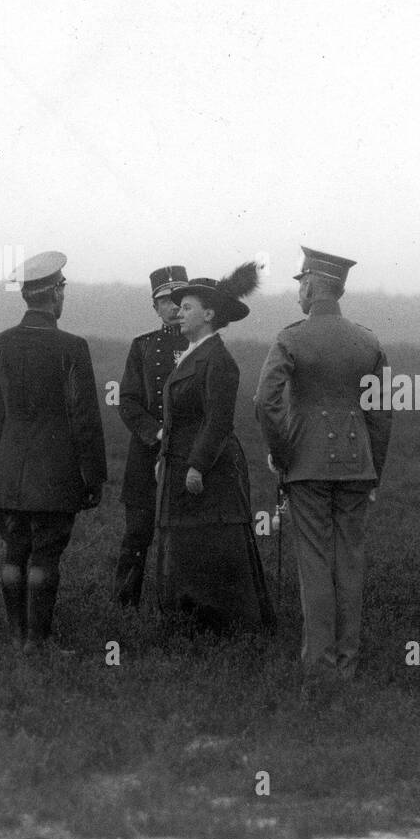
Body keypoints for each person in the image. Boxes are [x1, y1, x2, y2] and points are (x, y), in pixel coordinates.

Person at [255, 247, 392, 691]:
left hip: (306, 467)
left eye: (300, 283)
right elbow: (380, 413)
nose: (299, 290)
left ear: (312, 286)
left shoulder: (291, 339)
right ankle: (347, 665)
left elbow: (266, 402)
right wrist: (375, 470)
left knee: (315, 565)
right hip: (357, 469)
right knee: (349, 563)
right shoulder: (368, 342)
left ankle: (319, 668)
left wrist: (281, 451)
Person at [0, 251, 107, 654]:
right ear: (54, 295)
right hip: (55, 475)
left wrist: (0, 464)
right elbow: (83, 417)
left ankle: (17, 639)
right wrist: (93, 474)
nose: (64, 295)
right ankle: (39, 642)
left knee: (15, 550)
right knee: (46, 555)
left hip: (10, 473)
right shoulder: (72, 348)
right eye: (63, 288)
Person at [155, 262, 271, 631]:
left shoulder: (218, 359)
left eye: (186, 307)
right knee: (191, 547)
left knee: (213, 547)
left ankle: (227, 633)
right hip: (183, 465)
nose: (178, 312)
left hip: (209, 472)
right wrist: (163, 459)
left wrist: (197, 466)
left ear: (208, 315)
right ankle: (192, 627)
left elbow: (218, 421)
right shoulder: (193, 354)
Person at [113, 265, 190, 607]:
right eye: (165, 300)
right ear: (154, 306)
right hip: (146, 454)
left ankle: (183, 609)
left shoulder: (202, 345)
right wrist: (154, 432)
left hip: (189, 455)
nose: (174, 307)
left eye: (180, 299)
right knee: (137, 533)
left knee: (186, 536)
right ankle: (125, 607)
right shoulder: (141, 347)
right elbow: (127, 400)